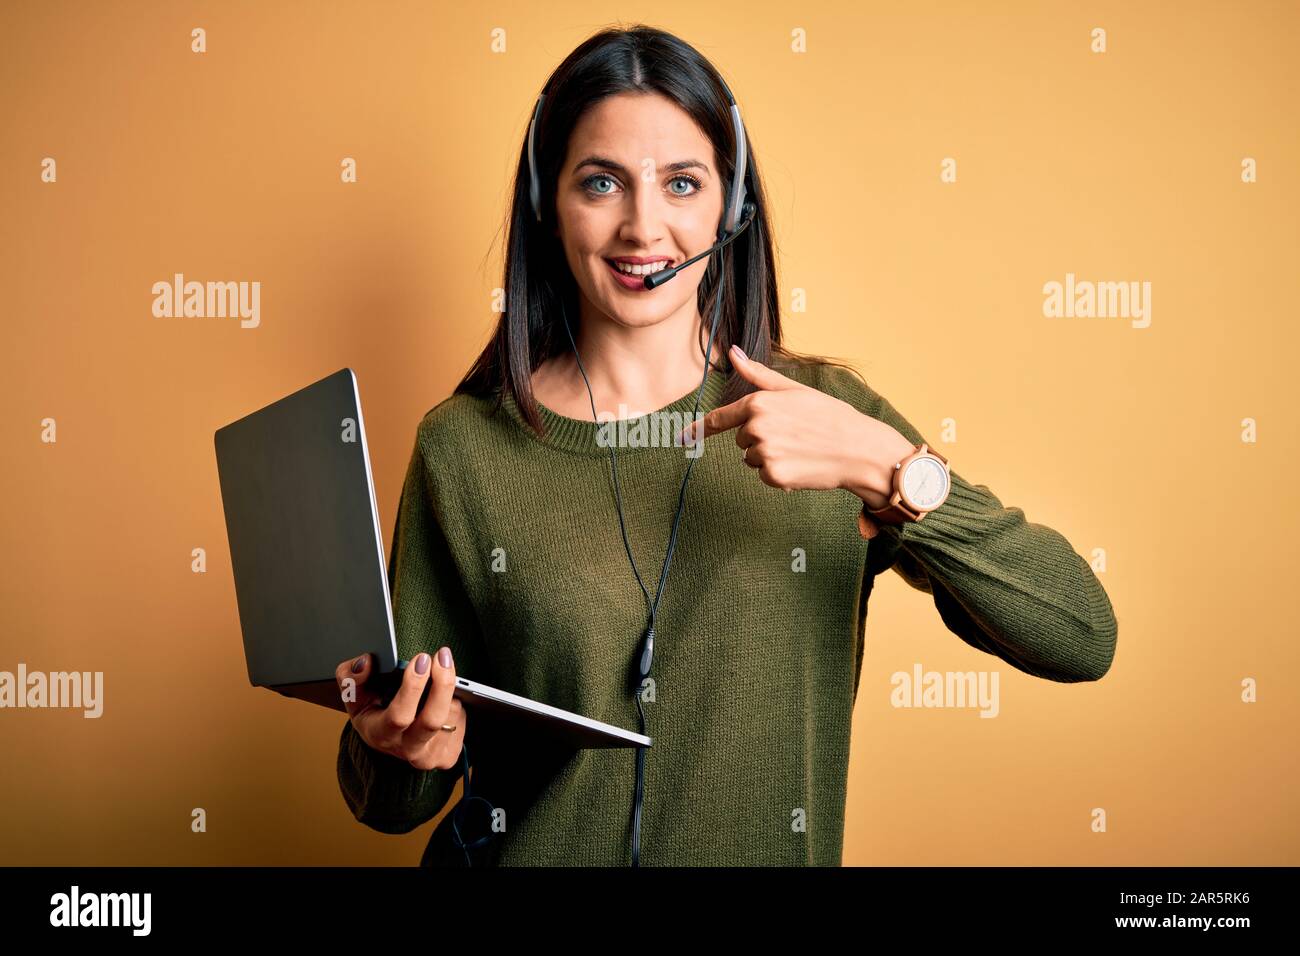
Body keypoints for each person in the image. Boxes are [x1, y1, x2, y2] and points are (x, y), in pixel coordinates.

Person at [333, 25, 1118, 867]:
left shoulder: (830, 416)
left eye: (681, 183)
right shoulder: (465, 449)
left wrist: (888, 468)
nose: (644, 227)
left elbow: (1079, 634)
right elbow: (394, 802)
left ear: (730, 205)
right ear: (546, 205)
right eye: (601, 183)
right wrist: (397, 744)